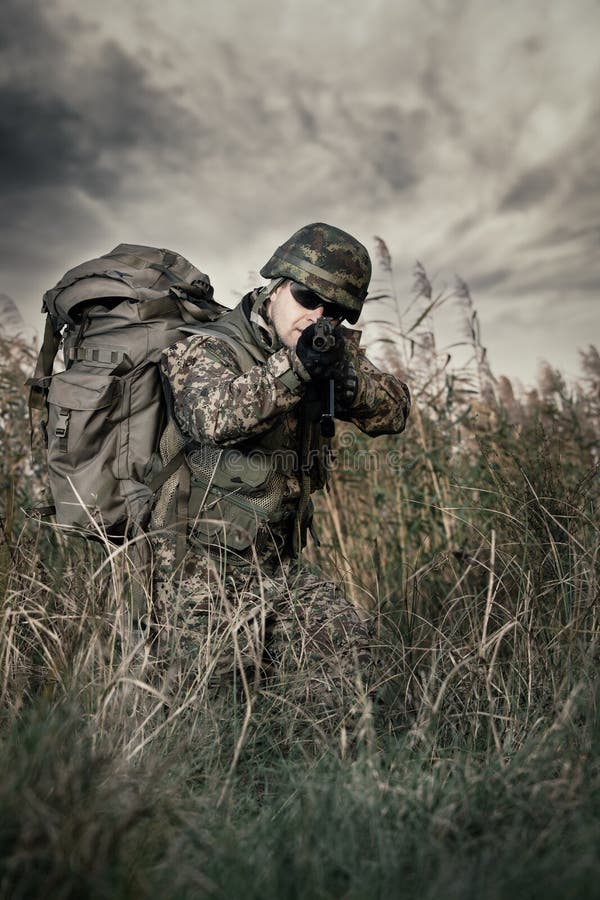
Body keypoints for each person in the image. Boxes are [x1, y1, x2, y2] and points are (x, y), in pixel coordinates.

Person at [149, 222, 411, 741]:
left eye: (335, 311)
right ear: (275, 287)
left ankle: (321, 784)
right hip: (199, 578)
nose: (318, 315)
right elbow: (213, 418)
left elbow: (395, 410)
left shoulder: (325, 349)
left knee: (352, 663)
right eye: (308, 296)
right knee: (211, 724)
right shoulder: (207, 347)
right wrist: (296, 369)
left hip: (278, 567)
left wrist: (341, 374)